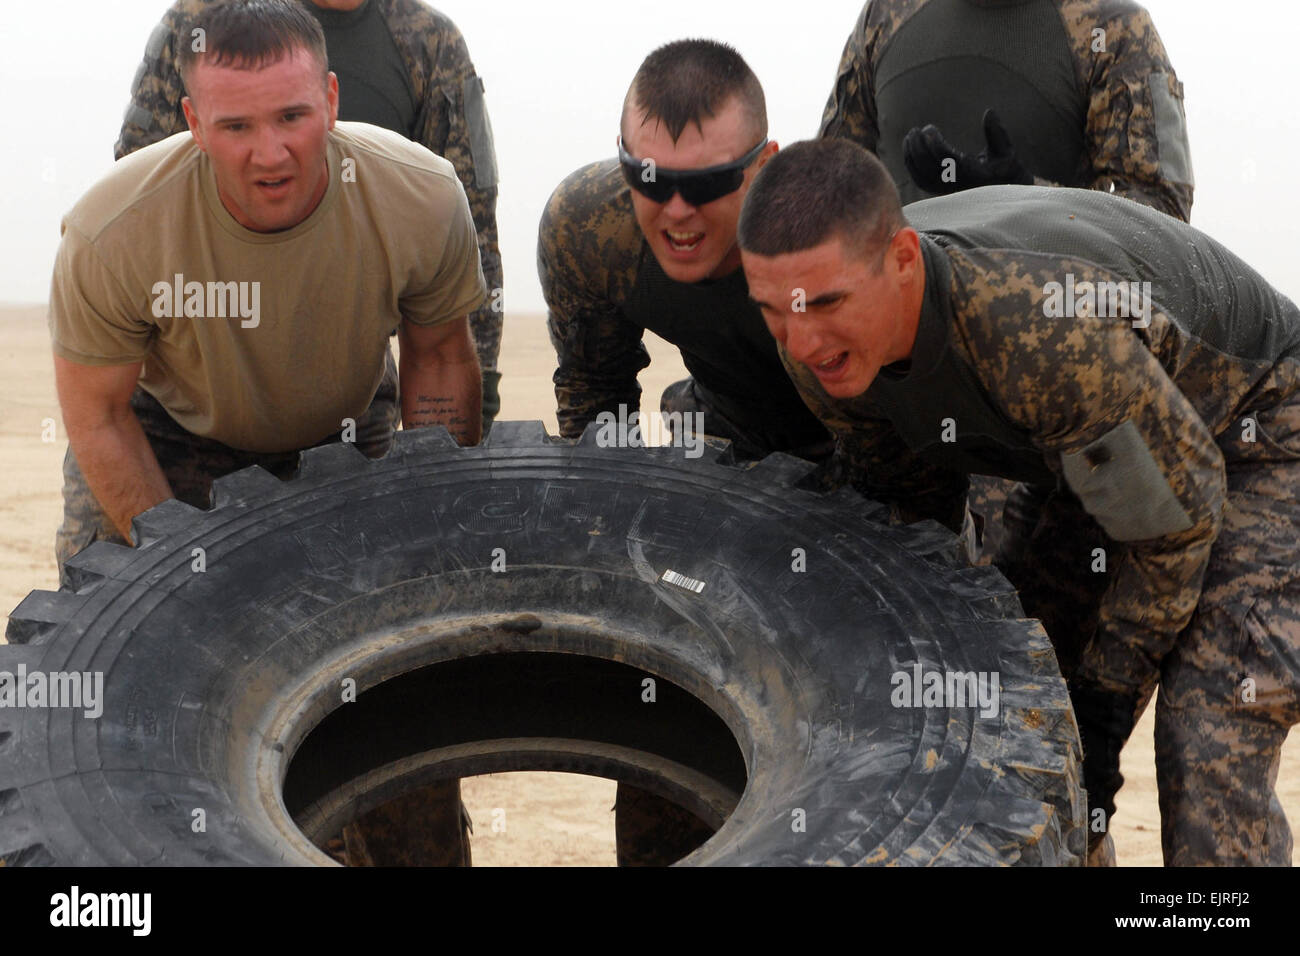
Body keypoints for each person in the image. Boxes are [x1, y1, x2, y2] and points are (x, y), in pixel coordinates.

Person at [737, 138, 1300, 867]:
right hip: (1091, 451)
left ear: (904, 260)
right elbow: (911, 512)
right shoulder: (825, 345)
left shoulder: (1043, 331)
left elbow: (1171, 535)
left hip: (1266, 437)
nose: (803, 341)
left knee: (1207, 718)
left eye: (829, 303)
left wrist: (1103, 708)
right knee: (1024, 707)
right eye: (774, 311)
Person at [50, 0, 484, 864]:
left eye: (292, 116)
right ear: (193, 125)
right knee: (118, 694)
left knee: (401, 708)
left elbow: (439, 356)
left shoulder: (417, 193)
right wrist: (178, 566)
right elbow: (96, 416)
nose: (271, 151)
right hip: (168, 437)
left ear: (329, 98)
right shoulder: (113, 231)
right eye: (237, 125)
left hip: (344, 433)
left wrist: (431, 508)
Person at [116, 0, 504, 435]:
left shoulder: (428, 40)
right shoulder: (202, 23)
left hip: (346, 389)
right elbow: (140, 192)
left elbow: (468, 222)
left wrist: (479, 392)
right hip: (187, 379)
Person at [539, 39, 831, 465]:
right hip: (724, 423)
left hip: (866, 432)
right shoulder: (591, 229)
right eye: (650, 177)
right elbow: (595, 399)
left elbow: (902, 430)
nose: (677, 211)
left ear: (765, 167)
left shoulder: (829, 245)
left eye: (709, 181)